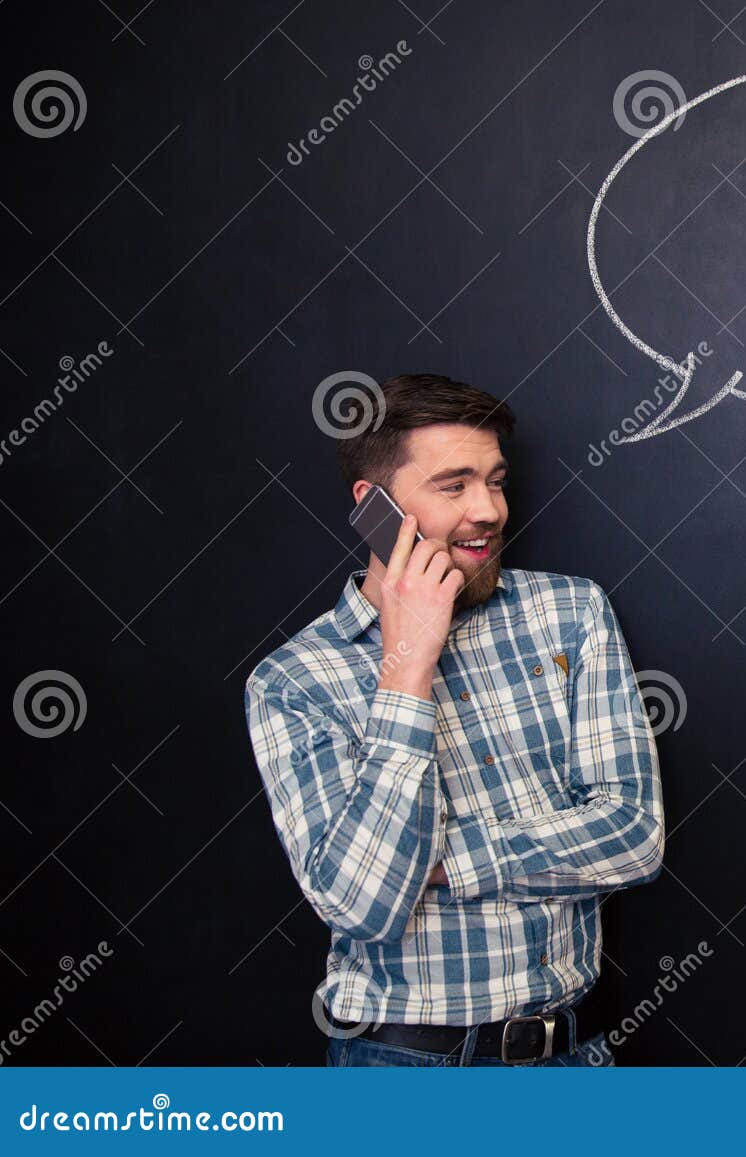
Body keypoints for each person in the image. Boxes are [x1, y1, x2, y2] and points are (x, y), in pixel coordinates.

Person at [244, 373, 664, 1066]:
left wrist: (439, 860)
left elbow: (633, 835)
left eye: (495, 481)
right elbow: (361, 905)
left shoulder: (572, 612)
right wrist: (407, 666)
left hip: (566, 1058)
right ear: (374, 507)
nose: (490, 509)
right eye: (454, 485)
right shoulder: (293, 681)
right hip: (404, 1073)